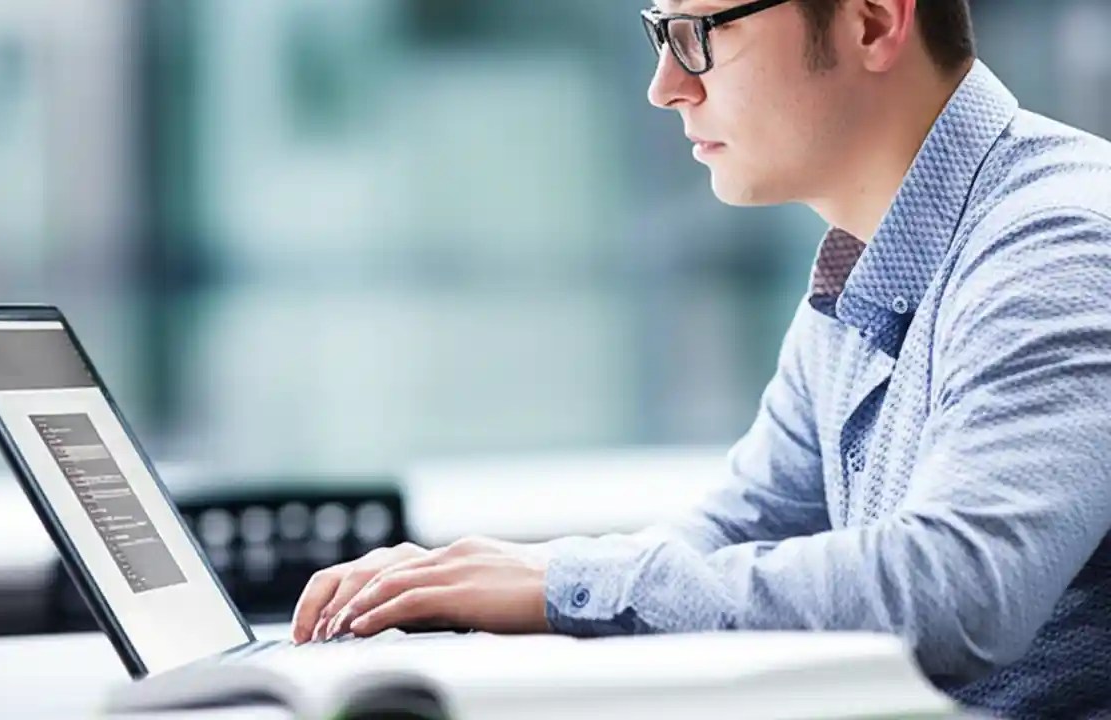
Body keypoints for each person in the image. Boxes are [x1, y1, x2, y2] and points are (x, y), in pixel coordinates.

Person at [291, 0, 1111, 716]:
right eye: (659, 32)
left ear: (871, 21)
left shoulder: (1059, 242)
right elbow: (728, 537)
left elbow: (957, 592)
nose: (665, 86)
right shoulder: (868, 268)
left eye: (699, 33)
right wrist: (486, 585)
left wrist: (557, 585)